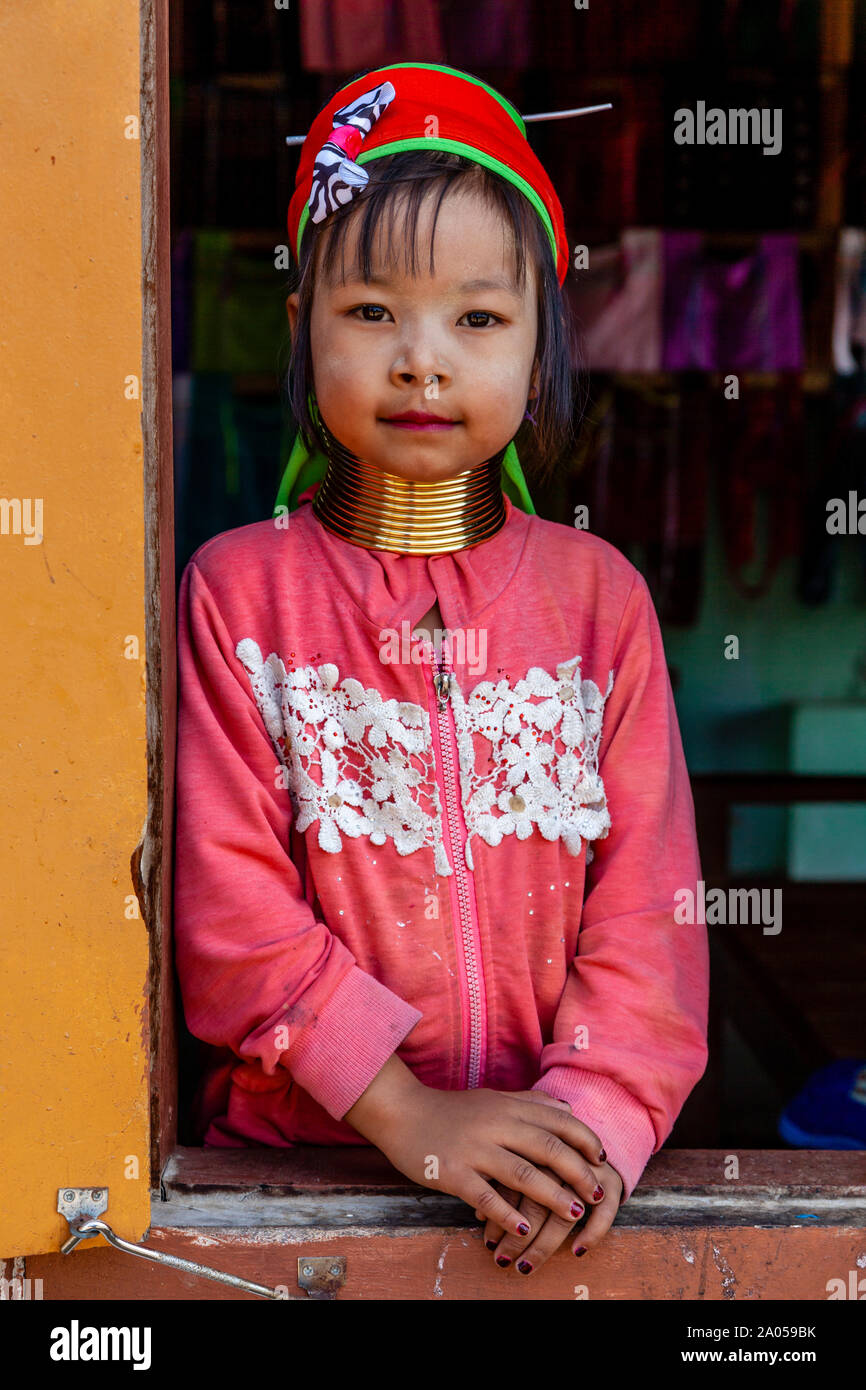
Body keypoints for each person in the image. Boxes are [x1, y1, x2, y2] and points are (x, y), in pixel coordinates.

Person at [173, 62, 709, 1278]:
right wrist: (409, 1117)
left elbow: (651, 912)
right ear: (302, 321)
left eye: (476, 318)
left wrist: (589, 1135)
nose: (422, 360)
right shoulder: (239, 591)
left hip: (552, 1190)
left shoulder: (596, 599)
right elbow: (229, 914)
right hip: (297, 1167)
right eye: (370, 313)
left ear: (540, 346)